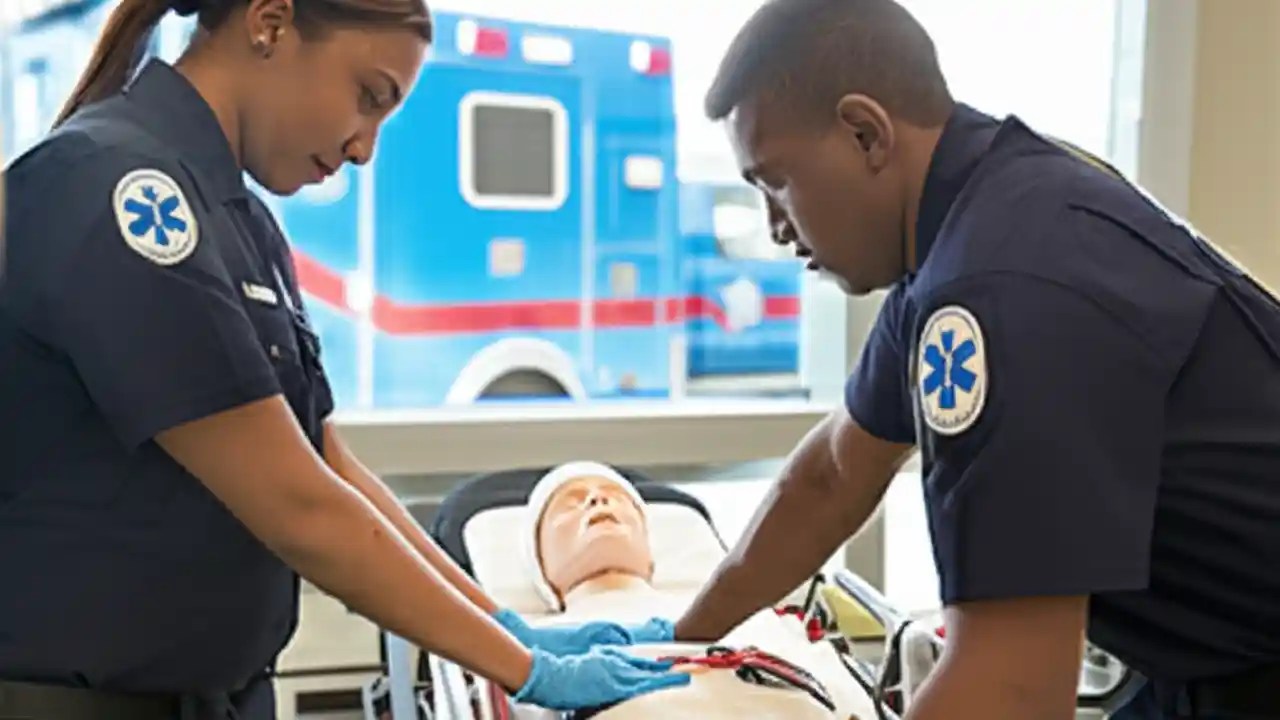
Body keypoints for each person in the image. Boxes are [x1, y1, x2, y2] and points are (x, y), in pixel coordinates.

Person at [0, 1, 688, 718]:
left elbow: (327, 464)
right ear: (269, 22)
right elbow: (302, 509)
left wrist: (506, 625)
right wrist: (527, 669)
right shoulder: (118, 189)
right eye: (369, 97)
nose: (364, 149)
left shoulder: (240, 219)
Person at [671, 1, 1280, 719]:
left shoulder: (1001, 287)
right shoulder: (974, 221)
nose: (774, 225)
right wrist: (676, 646)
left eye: (774, 181)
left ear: (866, 133)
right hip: (1226, 654)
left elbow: (1012, 688)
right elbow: (831, 477)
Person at [514, 461, 876, 720]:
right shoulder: (527, 651)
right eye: (570, 503)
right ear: (540, 563)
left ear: (651, 553)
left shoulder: (754, 614)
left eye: (616, 498)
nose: (598, 501)